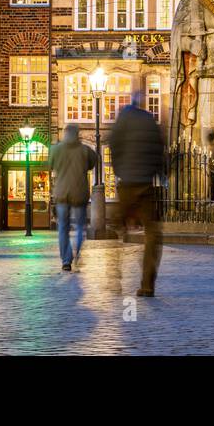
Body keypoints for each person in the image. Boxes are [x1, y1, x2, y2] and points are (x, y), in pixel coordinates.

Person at [108, 90, 165, 297]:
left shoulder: (122, 120)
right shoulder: (150, 120)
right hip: (146, 183)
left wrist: (119, 170)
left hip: (127, 183)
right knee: (153, 234)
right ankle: (148, 284)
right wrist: (158, 172)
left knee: (118, 228)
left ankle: (114, 278)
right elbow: (160, 147)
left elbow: (113, 146)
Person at [49, 124, 99, 271]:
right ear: (77, 134)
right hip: (79, 193)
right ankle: (77, 253)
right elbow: (93, 162)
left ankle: (66, 260)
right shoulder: (85, 150)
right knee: (79, 227)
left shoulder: (56, 150)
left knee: (63, 228)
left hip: (62, 193)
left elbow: (50, 164)